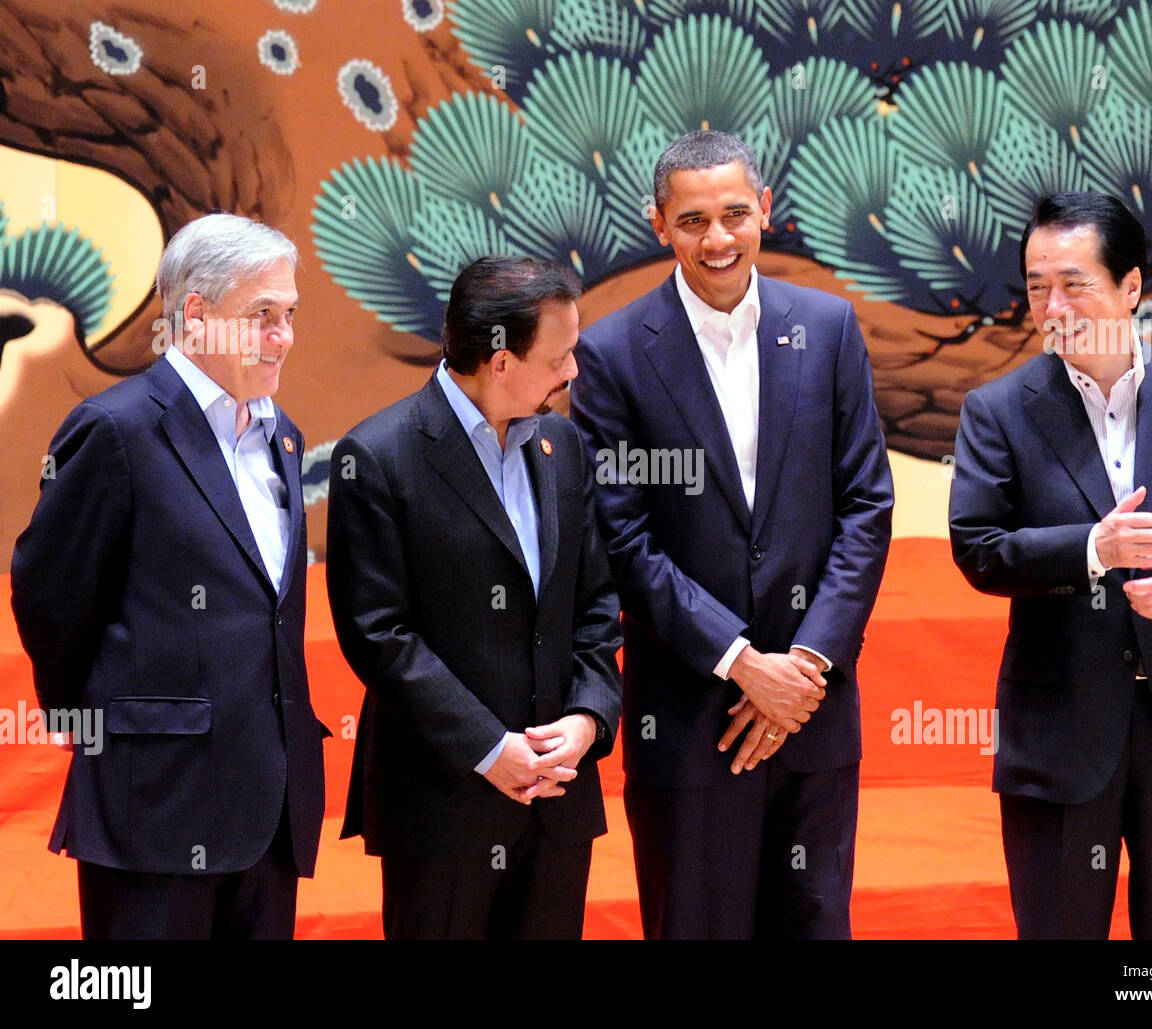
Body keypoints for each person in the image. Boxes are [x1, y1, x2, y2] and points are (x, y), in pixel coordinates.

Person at [570, 130, 894, 939]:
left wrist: (804, 668)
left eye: (734, 214)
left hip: (815, 712)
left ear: (766, 212)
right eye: (692, 221)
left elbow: (867, 505)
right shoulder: (610, 355)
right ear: (658, 224)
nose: (717, 239)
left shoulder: (827, 328)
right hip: (687, 716)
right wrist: (746, 665)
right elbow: (624, 538)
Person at [948, 192, 1152, 939]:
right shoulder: (998, 410)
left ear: (1131, 286)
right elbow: (978, 545)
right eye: (1037, 286)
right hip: (1060, 725)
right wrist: (1092, 550)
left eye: (1074, 282)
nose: (1052, 304)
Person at [10, 213, 326, 939]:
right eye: (263, 316)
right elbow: (49, 593)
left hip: (270, 802)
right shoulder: (116, 428)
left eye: (291, 316)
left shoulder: (282, 434)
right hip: (153, 801)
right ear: (196, 315)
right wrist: (94, 722)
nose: (284, 336)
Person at [327, 256, 622, 940]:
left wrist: (587, 720)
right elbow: (379, 634)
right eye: (560, 355)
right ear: (499, 360)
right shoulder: (376, 456)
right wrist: (491, 748)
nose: (572, 371)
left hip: (557, 798)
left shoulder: (564, 445)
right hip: (443, 803)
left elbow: (597, 607)